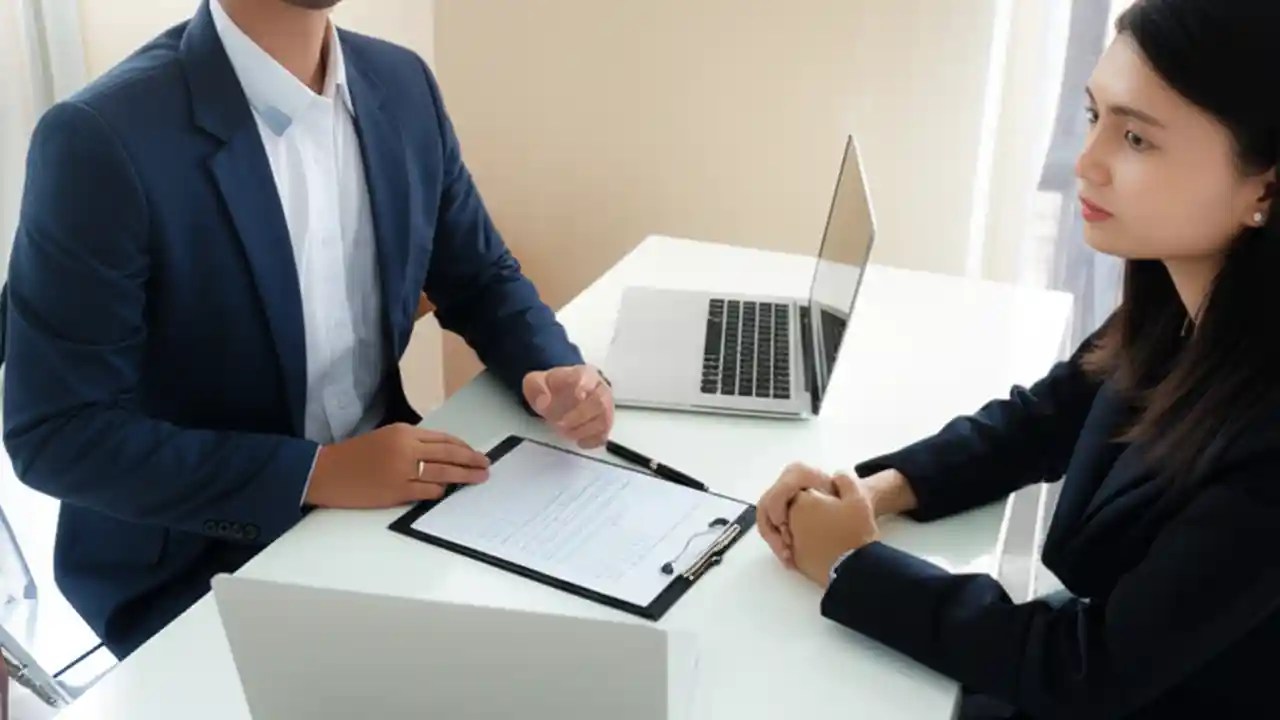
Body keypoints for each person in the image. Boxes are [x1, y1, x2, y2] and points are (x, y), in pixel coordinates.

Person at [3, 0, 614, 659]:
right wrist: (314, 474)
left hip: (391, 502)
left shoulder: (402, 84)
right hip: (195, 561)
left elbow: (479, 276)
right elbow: (58, 435)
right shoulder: (101, 139)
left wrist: (551, 369)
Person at [756, 1, 1280, 717]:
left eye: (1135, 138)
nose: (1085, 162)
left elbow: (1087, 670)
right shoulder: (1180, 295)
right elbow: (1046, 416)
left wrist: (854, 564)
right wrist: (876, 489)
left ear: (1266, 187)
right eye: (1093, 116)